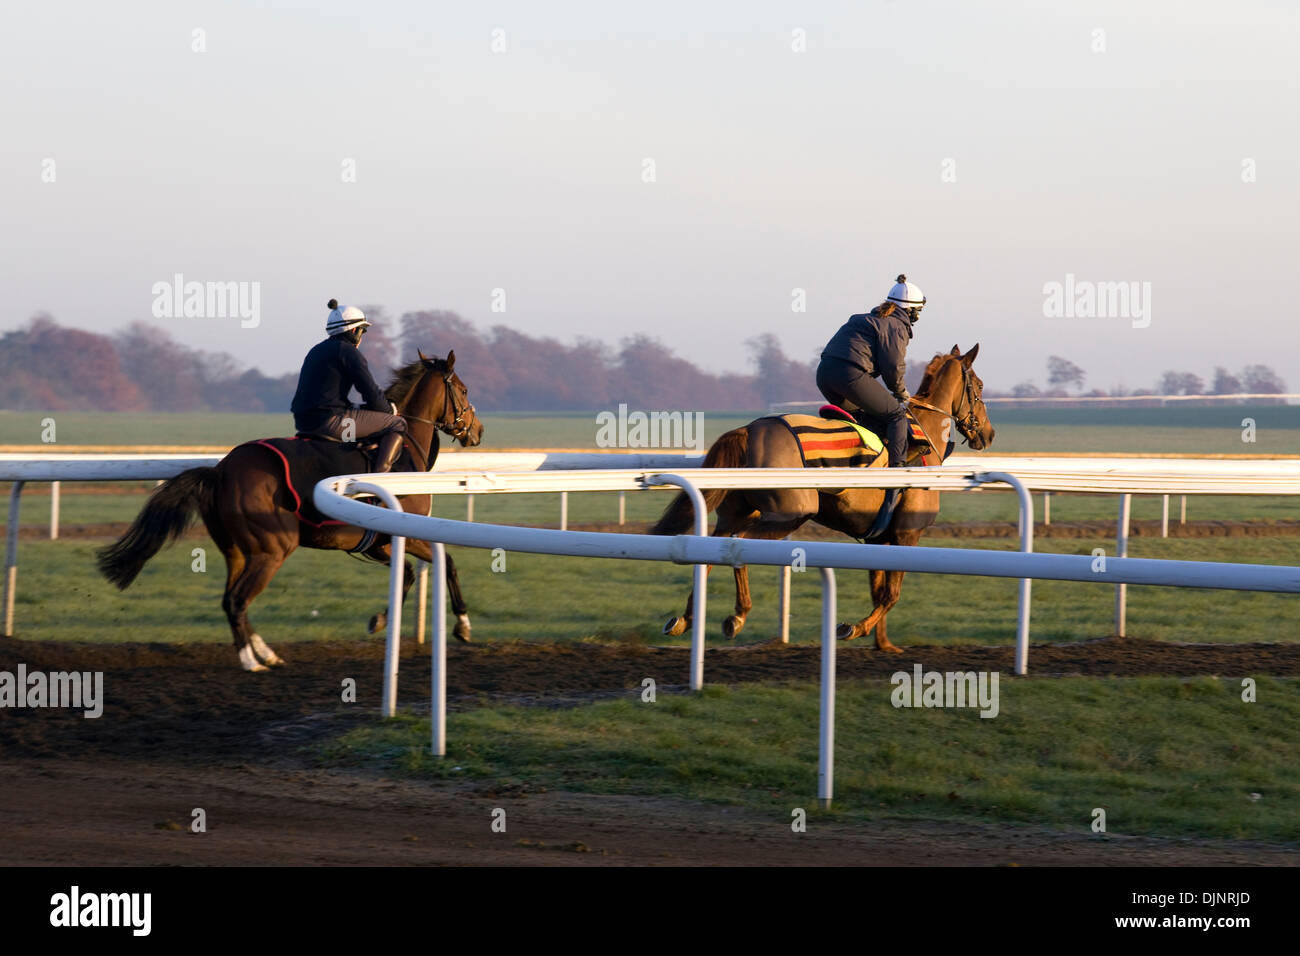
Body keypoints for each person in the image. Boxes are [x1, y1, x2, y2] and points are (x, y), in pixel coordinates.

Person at [816, 274, 925, 467]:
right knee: (896, 416)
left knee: (865, 418)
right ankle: (897, 474)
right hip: (849, 375)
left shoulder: (865, 318)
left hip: (824, 373)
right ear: (911, 310)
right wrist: (900, 393)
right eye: (918, 311)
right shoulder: (896, 326)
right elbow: (892, 366)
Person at [290, 299, 408, 472]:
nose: (362, 336)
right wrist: (389, 410)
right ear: (354, 330)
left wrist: (359, 407)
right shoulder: (349, 352)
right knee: (397, 424)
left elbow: (328, 396)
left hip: (304, 423)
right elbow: (371, 394)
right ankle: (379, 481)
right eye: (363, 330)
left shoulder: (316, 350)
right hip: (331, 423)